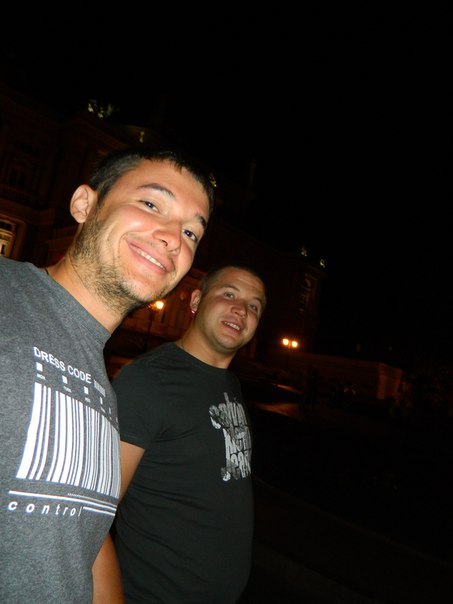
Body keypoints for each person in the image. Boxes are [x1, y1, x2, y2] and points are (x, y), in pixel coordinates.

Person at [0, 144, 216, 604]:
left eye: (191, 233)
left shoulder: (102, 391)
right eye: (151, 204)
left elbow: (82, 538)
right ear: (85, 204)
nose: (173, 239)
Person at [111, 264, 267, 603]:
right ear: (196, 301)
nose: (242, 310)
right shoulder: (148, 381)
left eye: (254, 306)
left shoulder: (230, 384)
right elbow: (92, 514)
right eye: (229, 294)